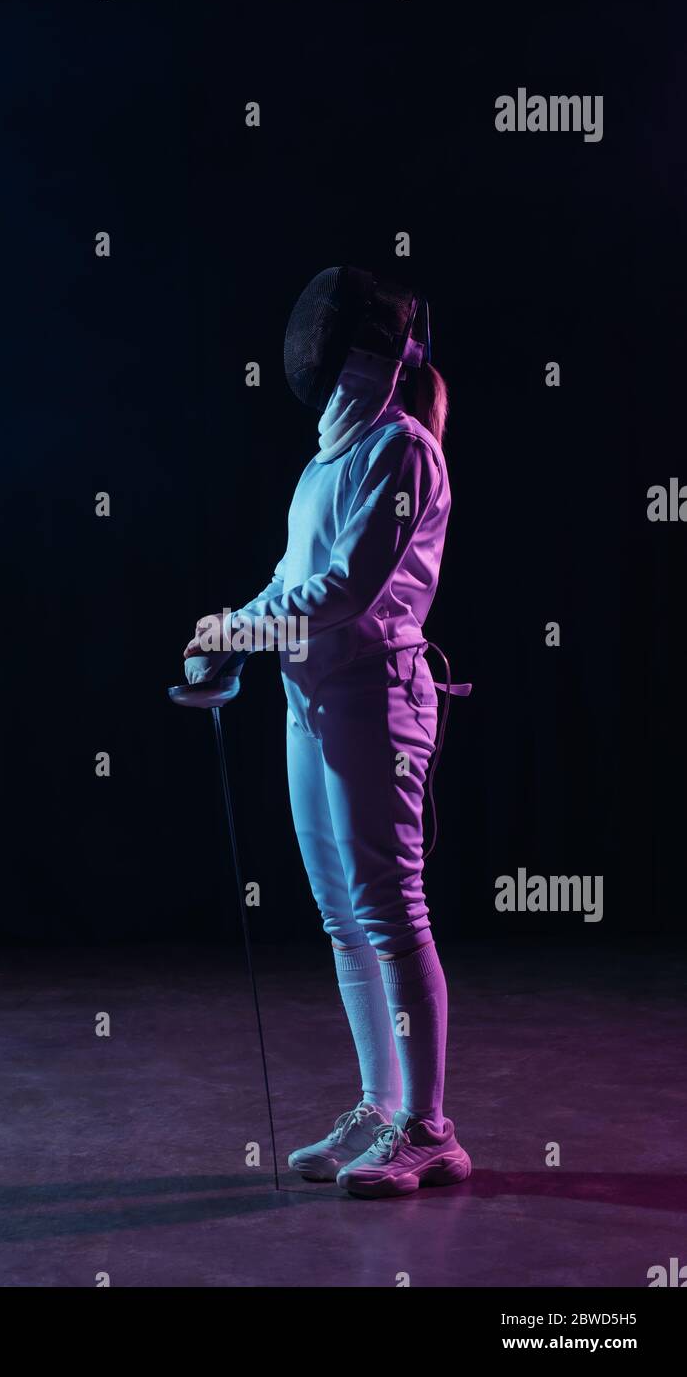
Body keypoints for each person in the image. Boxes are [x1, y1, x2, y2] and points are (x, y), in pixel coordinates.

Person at [183, 269, 471, 1199]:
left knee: (392, 912)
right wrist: (230, 635)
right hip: (312, 702)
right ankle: (378, 1106)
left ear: (368, 359)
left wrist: (240, 629)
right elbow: (290, 580)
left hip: (378, 702)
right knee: (341, 916)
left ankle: (429, 1130)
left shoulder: (404, 452)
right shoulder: (323, 465)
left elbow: (346, 591)